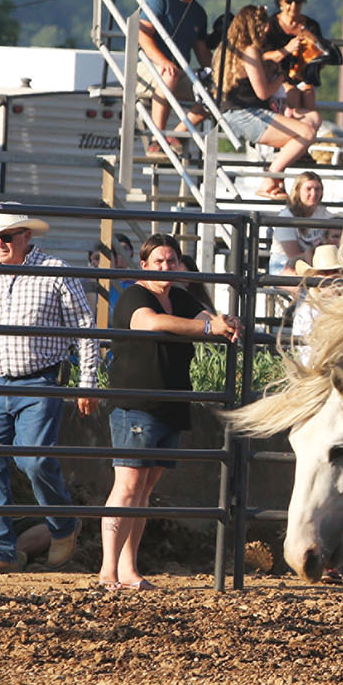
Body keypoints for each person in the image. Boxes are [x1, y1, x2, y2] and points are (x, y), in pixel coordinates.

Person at [0, 211, 100, 575]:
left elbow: (84, 329)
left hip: (40, 381)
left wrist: (87, 382)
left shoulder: (54, 271)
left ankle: (63, 523)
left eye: (8, 236)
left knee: (33, 459)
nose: (0, 243)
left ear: (25, 237)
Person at [101, 234, 239, 591]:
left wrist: (224, 322)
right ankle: (107, 570)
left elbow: (206, 316)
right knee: (128, 485)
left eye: (171, 261)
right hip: (138, 402)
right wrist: (210, 327)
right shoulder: (136, 294)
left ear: (179, 265)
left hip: (170, 402)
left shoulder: (177, 295)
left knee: (144, 489)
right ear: (144, 266)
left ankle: (128, 570)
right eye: (159, 262)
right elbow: (150, 323)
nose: (166, 267)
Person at [218, 4, 317, 200]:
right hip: (245, 114)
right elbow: (262, 92)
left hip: (242, 112)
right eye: (262, 26)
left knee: (312, 118)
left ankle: (281, 168)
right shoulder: (250, 50)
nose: (266, 30)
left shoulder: (228, 47)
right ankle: (270, 180)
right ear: (253, 26)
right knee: (307, 133)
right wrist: (280, 79)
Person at [136, 0, 212, 154]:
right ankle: (158, 138)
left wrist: (223, 76)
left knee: (217, 93)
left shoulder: (199, 13)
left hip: (179, 72)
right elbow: (142, 35)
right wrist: (163, 62)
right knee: (169, 75)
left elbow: (203, 53)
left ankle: (176, 133)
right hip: (148, 66)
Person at [261, 0, 334, 129]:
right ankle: (295, 136)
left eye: (298, 2)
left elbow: (323, 57)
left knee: (308, 93)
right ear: (280, 0)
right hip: (278, 79)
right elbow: (263, 57)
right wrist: (286, 50)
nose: (294, 6)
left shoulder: (311, 26)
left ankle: (305, 141)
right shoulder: (271, 26)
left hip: (303, 77)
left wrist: (311, 41)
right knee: (292, 93)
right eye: (289, 1)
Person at [270, 171, 338, 277]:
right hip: (284, 265)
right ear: (298, 191)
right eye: (308, 189)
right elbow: (293, 256)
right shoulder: (286, 217)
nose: (314, 193)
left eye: (317, 189)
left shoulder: (324, 214)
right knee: (303, 286)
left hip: (316, 265)